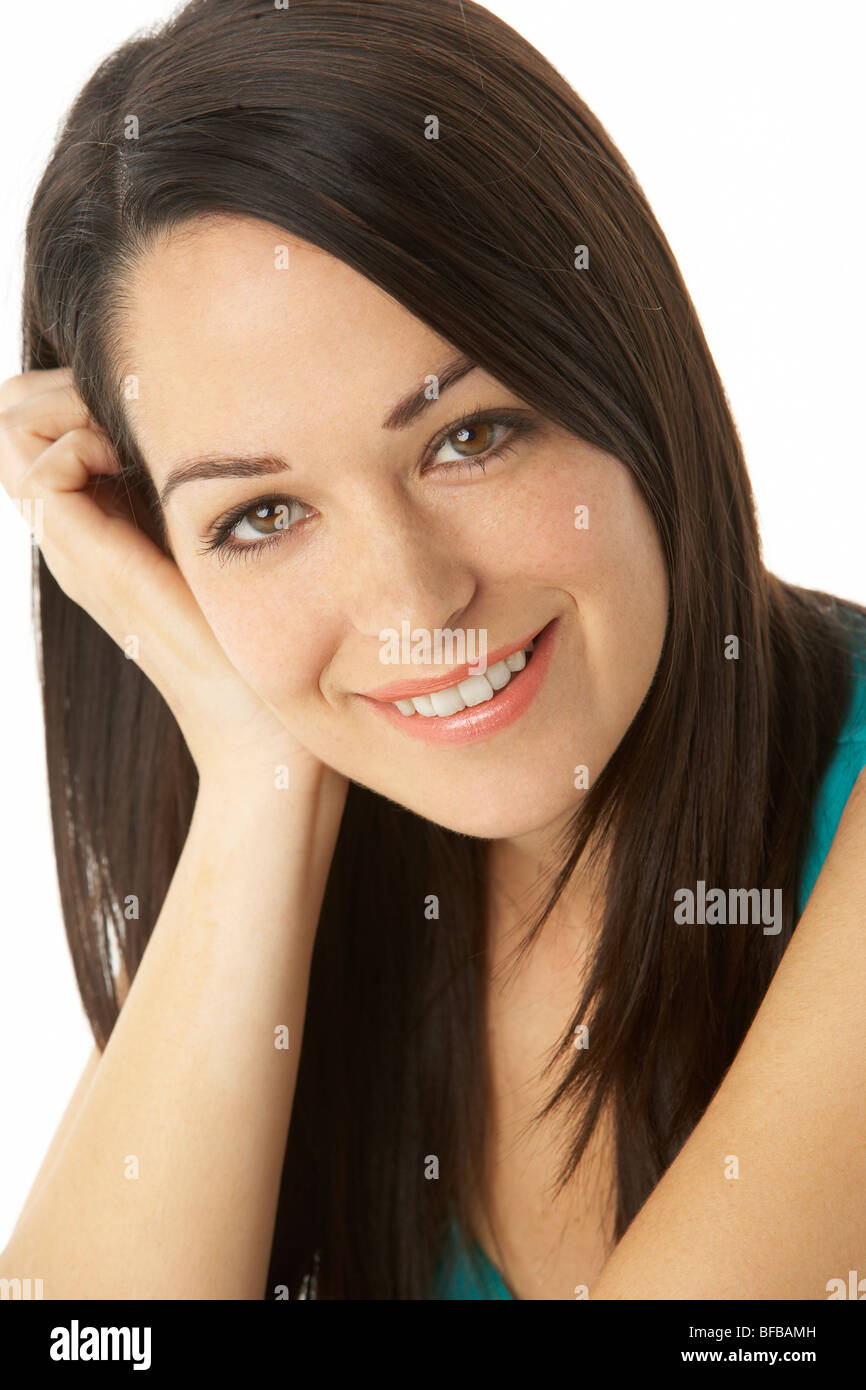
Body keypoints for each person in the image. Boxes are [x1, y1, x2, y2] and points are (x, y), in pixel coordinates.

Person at [0, 0, 864, 1301]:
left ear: (621, 364)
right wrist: (255, 775)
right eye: (262, 515)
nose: (412, 595)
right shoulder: (327, 897)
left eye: (467, 436)